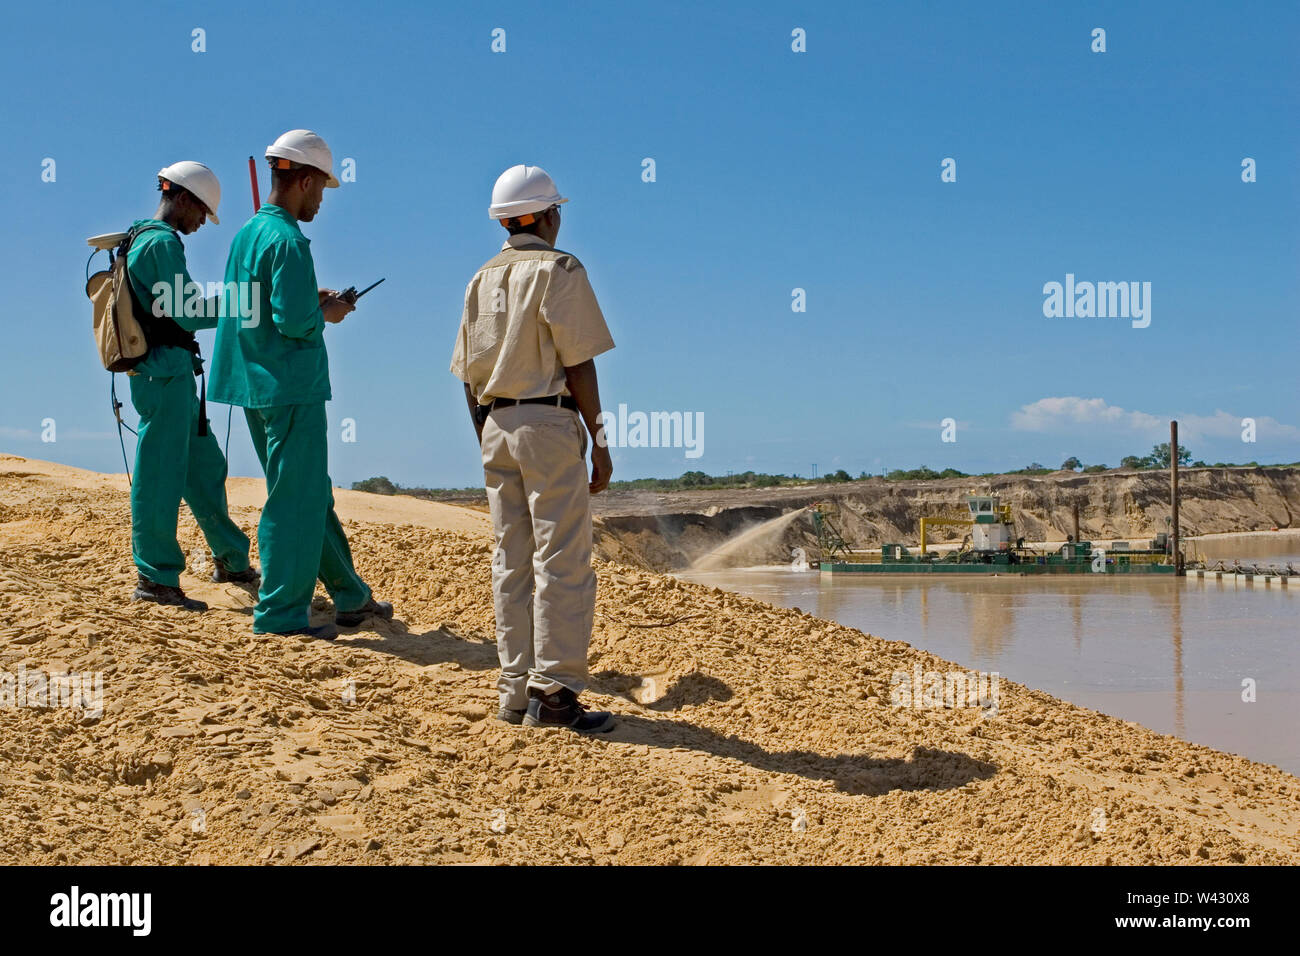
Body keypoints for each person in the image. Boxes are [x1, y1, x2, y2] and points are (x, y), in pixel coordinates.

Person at [451, 164, 616, 732]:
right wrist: (599, 440)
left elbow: (467, 377)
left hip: (495, 423)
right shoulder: (560, 269)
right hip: (548, 422)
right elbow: (579, 363)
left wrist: (488, 435)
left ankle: (514, 693)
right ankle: (555, 693)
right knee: (563, 560)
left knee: (510, 560)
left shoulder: (480, 280)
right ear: (549, 215)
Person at [208, 130, 391, 639]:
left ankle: (351, 598)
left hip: (253, 382)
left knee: (307, 494)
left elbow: (256, 300)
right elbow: (294, 321)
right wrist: (326, 313)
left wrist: (310, 295)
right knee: (294, 501)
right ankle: (282, 615)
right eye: (321, 190)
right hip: (289, 386)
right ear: (305, 180)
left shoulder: (249, 233)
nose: (320, 201)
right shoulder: (288, 238)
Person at [125, 161, 258, 611]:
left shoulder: (144, 238)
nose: (203, 222)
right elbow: (188, 310)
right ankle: (156, 577)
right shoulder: (161, 243)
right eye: (202, 212)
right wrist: (247, 300)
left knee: (203, 470)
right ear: (183, 198)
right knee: (160, 476)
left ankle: (231, 559)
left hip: (173, 374)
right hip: (162, 375)